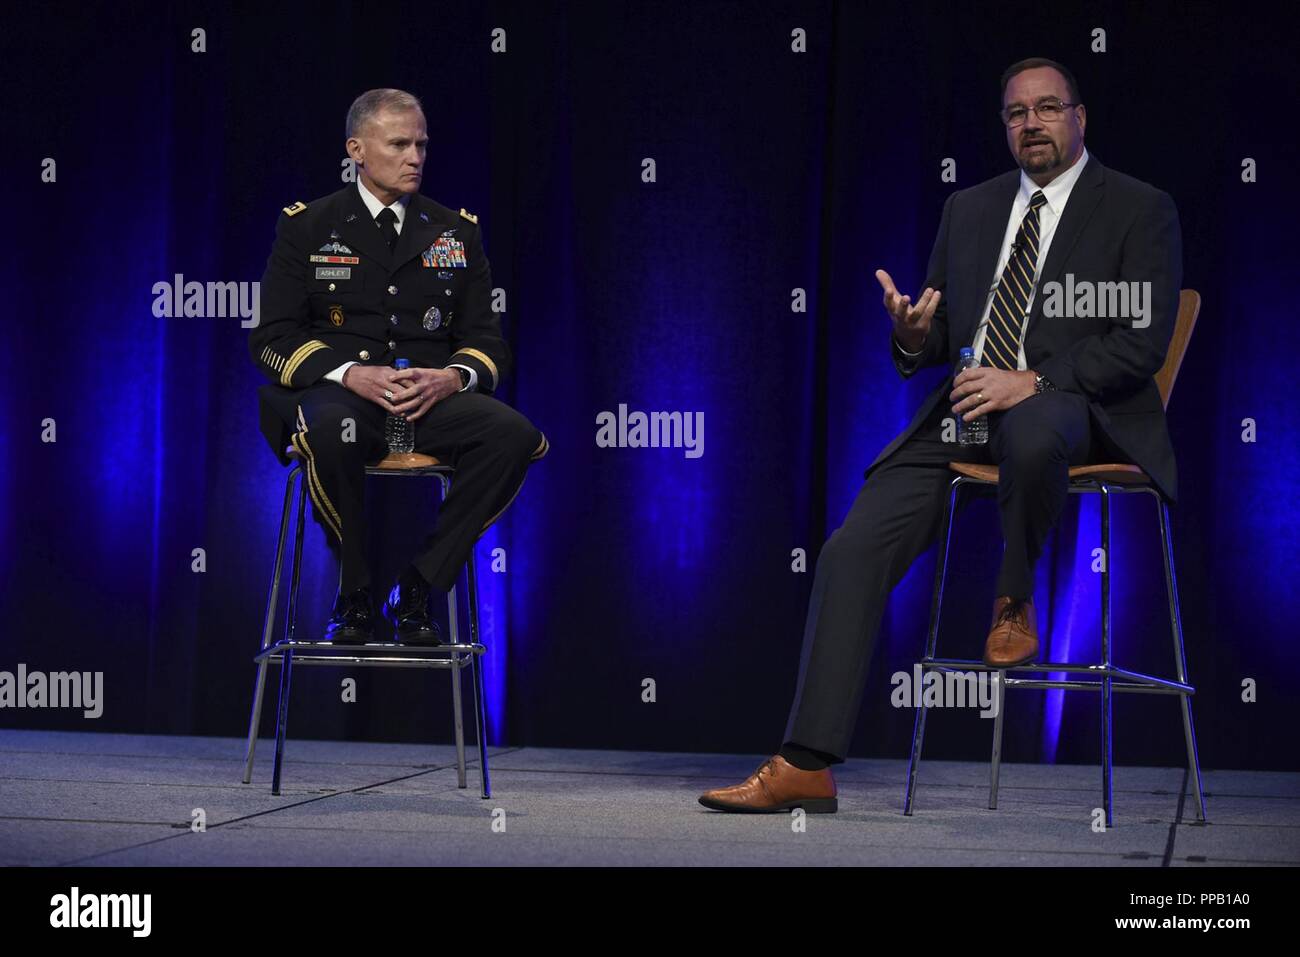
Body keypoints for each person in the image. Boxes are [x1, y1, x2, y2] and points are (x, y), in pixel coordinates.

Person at [699, 57, 1182, 813]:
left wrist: (1036, 381)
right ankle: (805, 763)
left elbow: (1142, 342)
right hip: (968, 412)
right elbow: (941, 332)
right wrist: (912, 336)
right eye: (1018, 113)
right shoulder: (973, 208)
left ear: (1079, 118)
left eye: (1048, 108)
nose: (1033, 124)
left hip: (1076, 412)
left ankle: (1013, 600)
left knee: (1031, 427)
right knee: (850, 548)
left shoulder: (1137, 207)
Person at [250, 88, 547, 645]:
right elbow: (271, 339)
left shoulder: (456, 232)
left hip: (426, 401)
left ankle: (418, 585)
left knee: (513, 436)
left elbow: (487, 343)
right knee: (333, 433)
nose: (415, 157)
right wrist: (346, 373)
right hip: (345, 400)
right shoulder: (308, 226)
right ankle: (354, 593)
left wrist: (451, 377)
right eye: (400, 144)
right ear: (357, 149)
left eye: (421, 145)